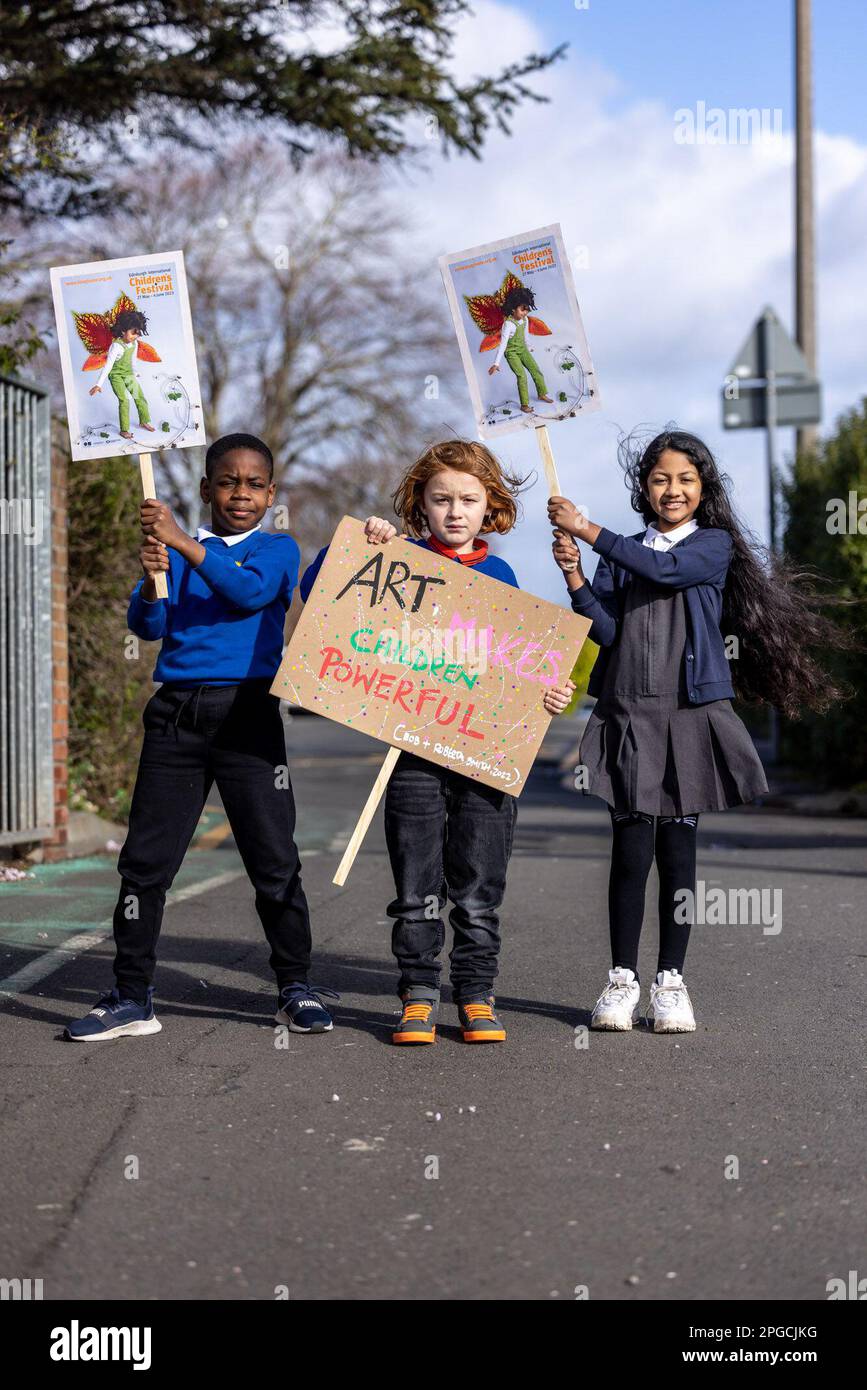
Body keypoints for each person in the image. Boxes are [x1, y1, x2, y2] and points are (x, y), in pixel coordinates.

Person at [548, 428, 850, 1034]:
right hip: (628, 710)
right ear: (644, 487)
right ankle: (620, 981)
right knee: (630, 852)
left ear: (703, 487)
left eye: (685, 479)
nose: (672, 489)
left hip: (688, 714)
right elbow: (606, 632)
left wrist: (588, 530)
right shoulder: (620, 551)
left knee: (678, 853)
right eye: (660, 479)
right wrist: (577, 577)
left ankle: (671, 983)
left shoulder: (711, 547)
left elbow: (665, 570)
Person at [301, 439, 575, 1044]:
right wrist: (356, 542)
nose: (455, 511)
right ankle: (419, 993)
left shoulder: (501, 576)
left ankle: (476, 995)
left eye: (469, 500)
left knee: (478, 888)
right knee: (415, 885)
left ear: (490, 507)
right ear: (419, 503)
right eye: (442, 498)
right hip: (413, 756)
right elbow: (318, 589)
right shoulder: (399, 561)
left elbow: (520, 668)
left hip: (482, 759)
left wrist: (547, 694)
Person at [67, 433, 335, 1041]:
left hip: (248, 715)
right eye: (227, 481)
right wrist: (151, 577)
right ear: (206, 487)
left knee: (274, 862)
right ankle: (132, 996)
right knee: (144, 866)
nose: (241, 494)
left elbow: (248, 596)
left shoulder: (277, 549)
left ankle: (294, 987)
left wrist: (181, 542)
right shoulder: (182, 553)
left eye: (254, 484)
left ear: (271, 492)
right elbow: (151, 625)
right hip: (176, 717)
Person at [89, 310, 157, 440]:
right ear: (123, 331)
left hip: (128, 374)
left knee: (139, 396)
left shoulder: (134, 343)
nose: (135, 336)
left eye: (137, 333)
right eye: (133, 333)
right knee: (124, 400)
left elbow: (132, 360)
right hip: (116, 376)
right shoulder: (116, 346)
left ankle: (144, 421)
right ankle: (124, 430)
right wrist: (98, 384)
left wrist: (135, 373)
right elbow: (108, 366)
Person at [487, 286, 553, 414]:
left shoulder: (525, 319)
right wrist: (496, 363)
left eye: (527, 310)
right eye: (522, 309)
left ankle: (542, 393)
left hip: (522, 349)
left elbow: (525, 335)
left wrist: (529, 346)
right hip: (511, 352)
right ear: (513, 308)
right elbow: (503, 344)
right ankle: (524, 404)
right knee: (521, 375)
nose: (525, 313)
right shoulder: (508, 325)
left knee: (535, 369)